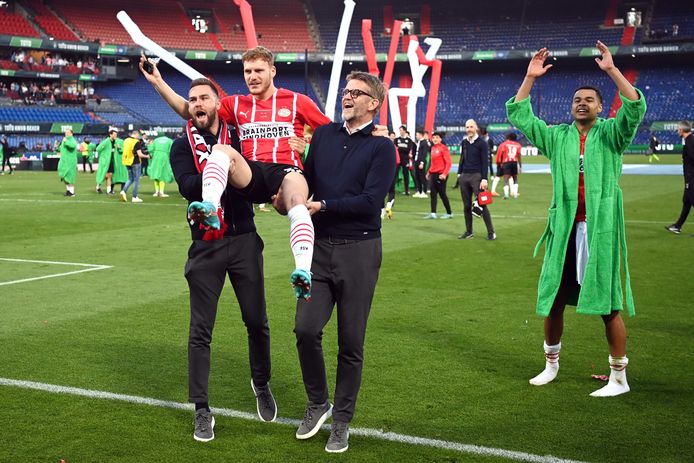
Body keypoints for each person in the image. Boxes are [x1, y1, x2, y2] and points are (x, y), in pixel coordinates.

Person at [506, 42, 647, 397]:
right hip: (564, 229)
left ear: (600, 108)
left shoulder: (612, 135)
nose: (581, 103)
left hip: (599, 232)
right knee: (553, 299)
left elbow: (635, 106)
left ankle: (619, 378)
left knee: (607, 303)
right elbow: (520, 115)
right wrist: (529, 77)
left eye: (589, 100)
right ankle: (551, 365)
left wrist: (612, 71)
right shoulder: (556, 137)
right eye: (576, 100)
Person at [140, 46, 329, 299]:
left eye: (259, 70)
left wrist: (310, 142)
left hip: (286, 172)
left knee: (297, 202)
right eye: (247, 71)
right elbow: (192, 110)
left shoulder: (297, 101)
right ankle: (209, 207)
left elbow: (330, 134)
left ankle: (303, 271)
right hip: (251, 173)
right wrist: (158, 82)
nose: (252, 76)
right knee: (221, 149)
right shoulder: (236, 104)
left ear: (272, 71)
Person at [292, 71, 395, 454]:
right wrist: (289, 191)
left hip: (360, 250)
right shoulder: (323, 136)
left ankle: (341, 422)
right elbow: (307, 180)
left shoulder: (383, 148)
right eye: (346, 91)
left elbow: (372, 202)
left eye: (357, 92)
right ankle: (319, 402)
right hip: (317, 249)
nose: (348, 96)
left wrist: (324, 206)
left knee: (351, 342)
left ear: (373, 103)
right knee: (305, 329)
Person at [170, 79, 276, 442]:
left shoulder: (242, 137)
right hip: (205, 246)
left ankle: (261, 383)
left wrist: (232, 162)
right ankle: (201, 410)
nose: (198, 103)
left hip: (245, 240)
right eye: (192, 99)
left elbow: (257, 184)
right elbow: (187, 187)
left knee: (257, 321)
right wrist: (221, 167)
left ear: (218, 103)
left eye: (204, 97)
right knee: (200, 331)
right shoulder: (181, 144)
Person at [458, 119, 495, 240]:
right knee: (466, 206)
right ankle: (469, 232)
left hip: (477, 176)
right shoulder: (464, 142)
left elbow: (485, 162)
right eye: (467, 127)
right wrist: (459, 174)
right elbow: (462, 158)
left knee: (482, 204)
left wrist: (484, 179)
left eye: (471, 127)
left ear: (476, 128)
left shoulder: (482, 143)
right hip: (464, 176)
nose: (469, 129)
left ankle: (491, 232)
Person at [665, 120, 694, 234]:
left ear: (682, 130)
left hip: (691, 178)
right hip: (690, 177)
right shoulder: (690, 140)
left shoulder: (689, 142)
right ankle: (677, 226)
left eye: (678, 129)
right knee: (686, 201)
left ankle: (677, 226)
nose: (677, 131)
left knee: (691, 199)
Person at [424, 132, 453, 219]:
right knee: (433, 194)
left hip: (441, 174)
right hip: (433, 174)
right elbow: (433, 163)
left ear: (440, 139)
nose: (435, 139)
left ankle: (449, 213)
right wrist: (429, 172)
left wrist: (444, 174)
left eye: (437, 137)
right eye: (433, 138)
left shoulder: (444, 148)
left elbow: (448, 162)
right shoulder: (432, 148)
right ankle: (433, 213)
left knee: (442, 194)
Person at [119, 130, 149, 203]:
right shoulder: (136, 142)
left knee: (130, 179)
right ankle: (134, 197)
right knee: (136, 180)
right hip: (135, 162)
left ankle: (123, 191)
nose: (139, 137)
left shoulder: (126, 140)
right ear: (136, 134)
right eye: (139, 135)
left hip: (127, 161)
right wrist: (147, 156)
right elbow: (140, 154)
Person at [95, 129, 126, 194]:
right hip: (105, 162)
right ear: (110, 135)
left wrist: (119, 148)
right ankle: (98, 186)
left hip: (112, 161)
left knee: (110, 175)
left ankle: (108, 190)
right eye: (114, 135)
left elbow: (121, 150)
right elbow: (98, 148)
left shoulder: (116, 142)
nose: (115, 136)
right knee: (104, 175)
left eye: (116, 135)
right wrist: (103, 157)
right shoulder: (106, 141)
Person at [496, 133, 523, 199]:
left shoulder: (504, 144)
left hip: (506, 162)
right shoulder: (518, 145)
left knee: (506, 179)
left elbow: (501, 153)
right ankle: (515, 194)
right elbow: (519, 156)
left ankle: (506, 195)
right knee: (515, 179)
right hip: (514, 162)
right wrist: (520, 166)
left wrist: (500, 163)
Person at [148, 132, 174, 197]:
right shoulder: (169, 141)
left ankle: (156, 192)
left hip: (156, 157)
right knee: (163, 174)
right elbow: (172, 150)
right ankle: (161, 192)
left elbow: (150, 149)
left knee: (156, 174)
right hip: (164, 157)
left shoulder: (156, 140)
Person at [394, 125, 416, 195]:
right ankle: (392, 189)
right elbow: (395, 149)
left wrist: (400, 148)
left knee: (406, 175)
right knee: (395, 174)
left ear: (404, 131)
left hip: (405, 160)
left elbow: (408, 149)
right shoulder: (396, 139)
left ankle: (407, 190)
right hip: (397, 159)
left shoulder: (409, 140)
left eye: (401, 130)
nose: (400, 131)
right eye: (399, 130)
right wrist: (403, 149)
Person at [57, 129, 78, 196]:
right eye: (66, 133)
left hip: (70, 161)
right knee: (63, 176)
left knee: (70, 177)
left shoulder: (72, 140)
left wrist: (66, 142)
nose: (66, 134)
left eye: (68, 133)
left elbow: (72, 146)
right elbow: (61, 148)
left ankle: (71, 192)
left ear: (71, 134)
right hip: (64, 161)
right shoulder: (64, 140)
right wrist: (57, 147)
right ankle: (68, 190)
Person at [382, 130, 398, 219]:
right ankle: (388, 206)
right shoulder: (392, 146)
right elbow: (397, 160)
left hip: (379, 171)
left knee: (380, 191)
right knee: (391, 191)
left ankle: (381, 212)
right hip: (391, 170)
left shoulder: (375, 144)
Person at [413, 130, 431, 198]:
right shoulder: (419, 142)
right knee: (417, 177)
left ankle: (424, 191)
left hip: (421, 162)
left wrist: (422, 163)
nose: (416, 136)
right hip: (416, 161)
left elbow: (424, 154)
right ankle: (419, 191)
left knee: (422, 177)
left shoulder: (424, 143)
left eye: (417, 135)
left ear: (421, 135)